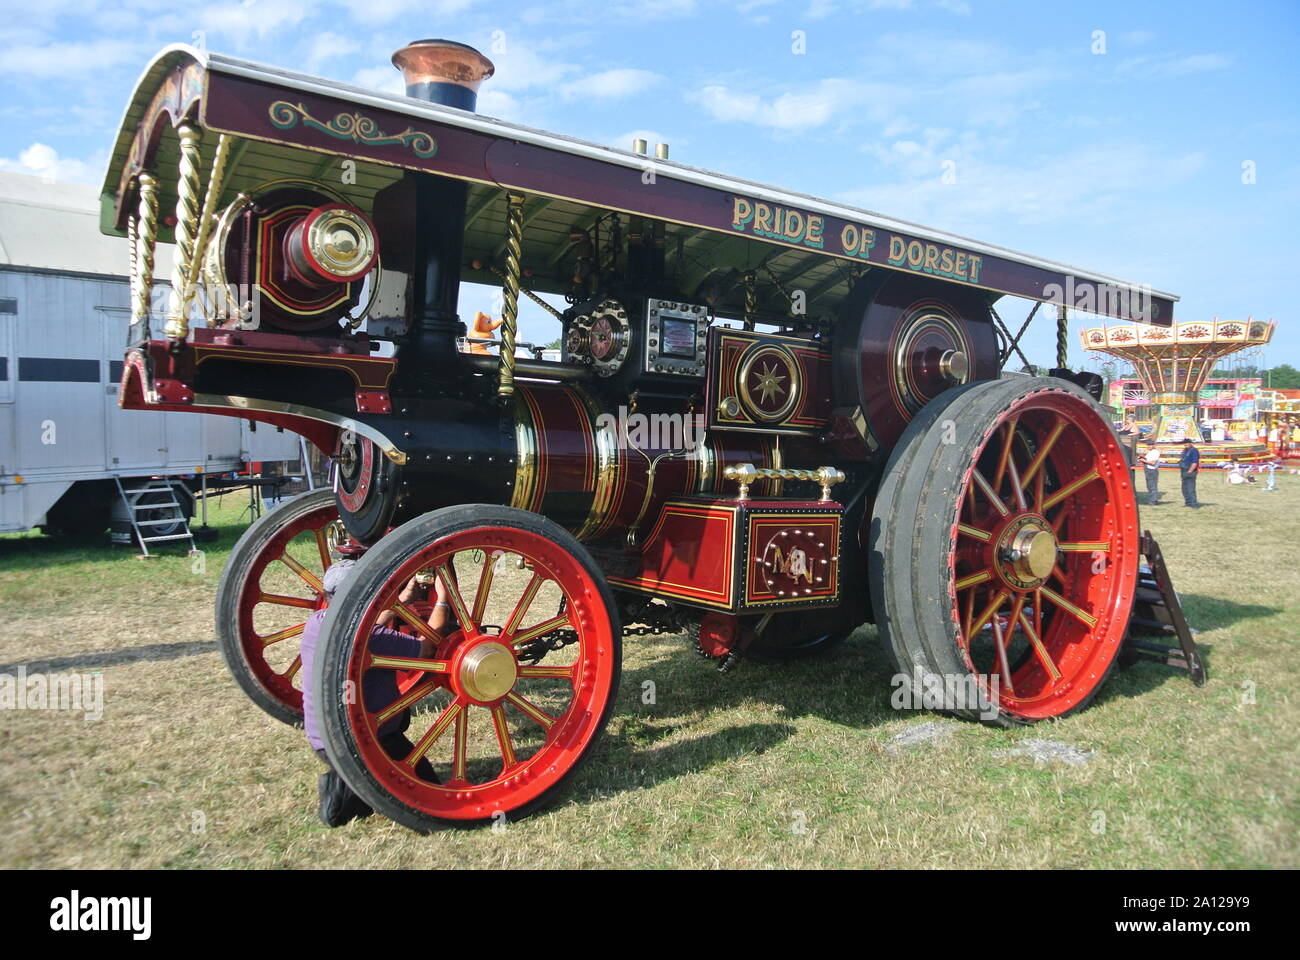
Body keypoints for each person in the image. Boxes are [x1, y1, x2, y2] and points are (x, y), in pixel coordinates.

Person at [300, 559, 452, 827]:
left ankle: (346, 776)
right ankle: (341, 794)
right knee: (428, 796)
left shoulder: (315, 624)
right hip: (367, 741)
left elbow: (365, 631)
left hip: (324, 737)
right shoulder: (373, 637)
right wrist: (443, 600)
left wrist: (403, 599)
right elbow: (428, 646)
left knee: (417, 779)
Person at [1179, 438, 1201, 507]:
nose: (1185, 444)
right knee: (1184, 488)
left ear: (1191, 443)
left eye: (1187, 443)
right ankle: (1188, 503)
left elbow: (1194, 462)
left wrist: (1190, 471)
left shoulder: (1194, 450)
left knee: (1190, 488)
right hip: (1183, 470)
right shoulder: (1185, 450)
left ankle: (1193, 504)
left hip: (1190, 471)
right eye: (1184, 443)